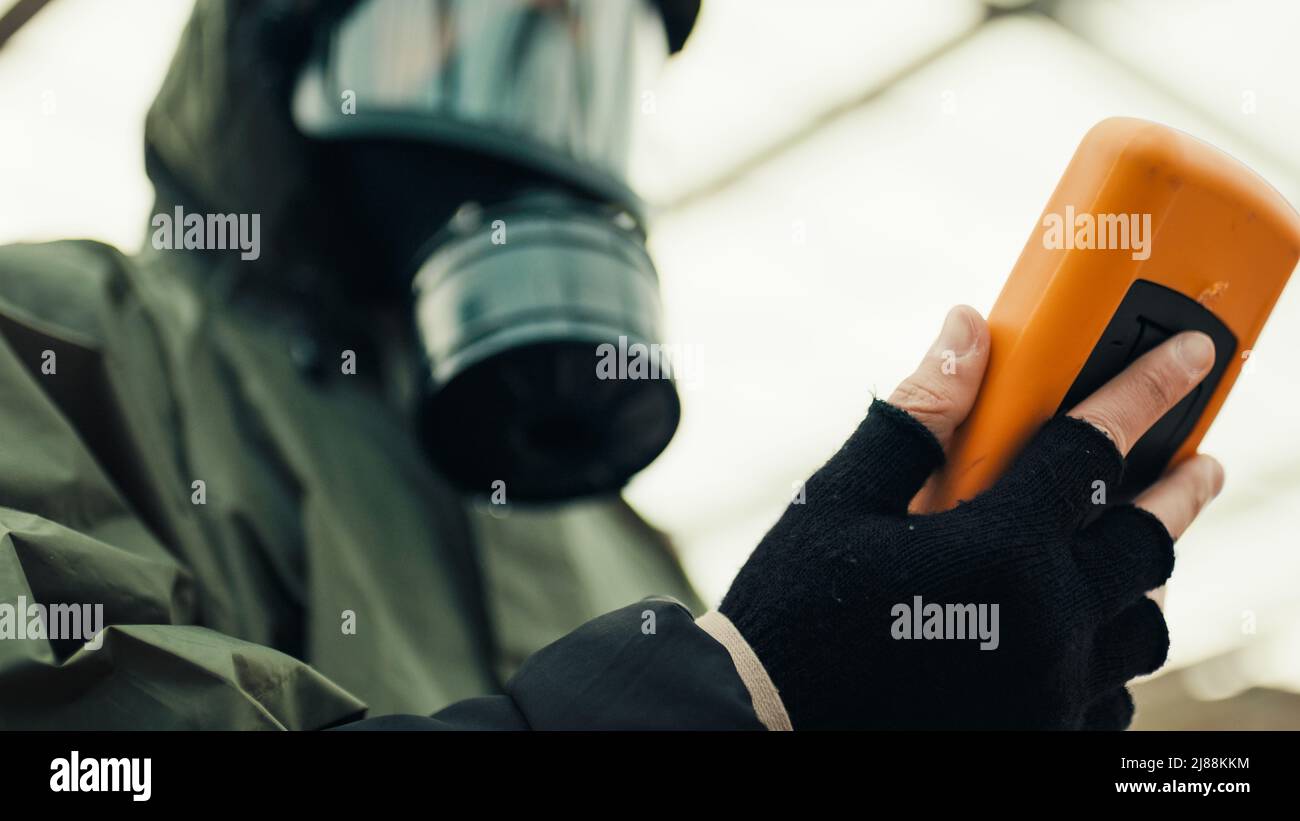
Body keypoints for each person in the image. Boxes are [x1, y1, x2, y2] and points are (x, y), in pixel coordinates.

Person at [0, 0, 1220, 730]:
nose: (545, 129)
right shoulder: (54, 333)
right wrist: (735, 694)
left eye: (594, 64)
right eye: (487, 43)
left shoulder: (611, 535)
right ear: (291, 48)